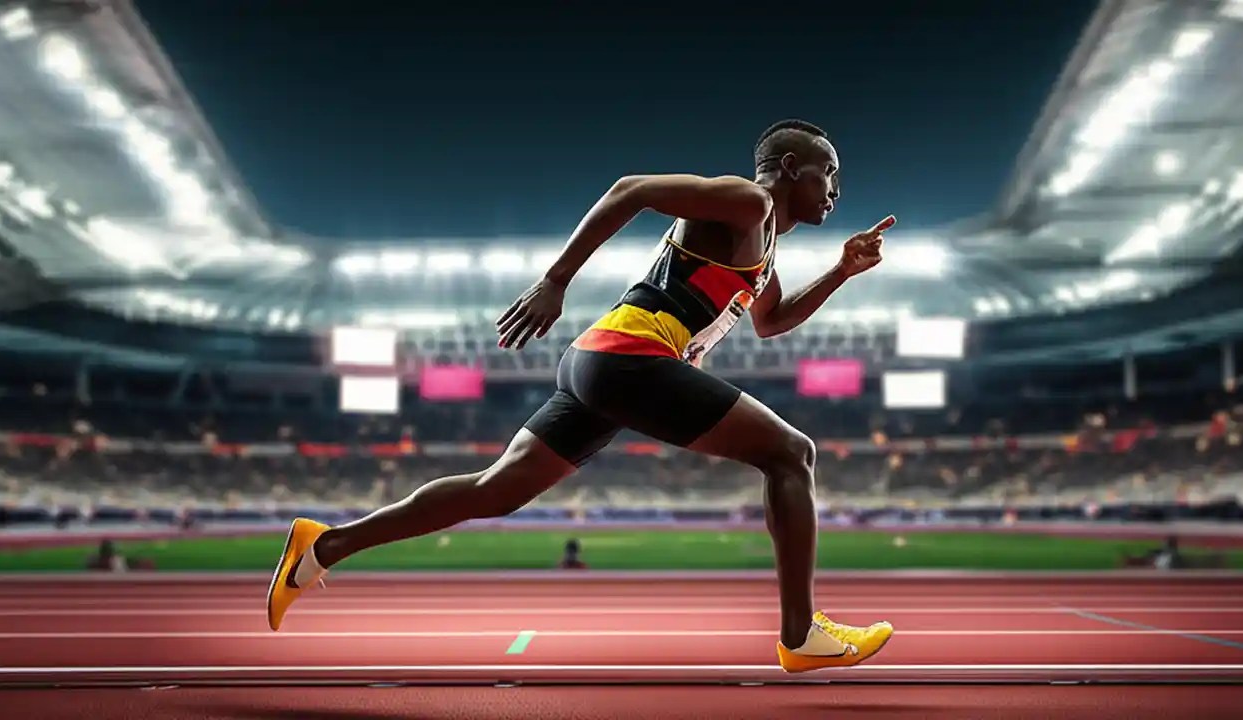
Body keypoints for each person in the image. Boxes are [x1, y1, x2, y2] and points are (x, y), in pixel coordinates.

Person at [268, 119, 896, 672]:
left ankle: (323, 546)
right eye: (828, 174)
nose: (836, 190)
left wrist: (840, 271)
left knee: (494, 490)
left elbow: (771, 321)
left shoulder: (764, 245)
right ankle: (800, 634)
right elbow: (632, 190)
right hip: (628, 359)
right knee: (792, 452)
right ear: (790, 168)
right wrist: (555, 280)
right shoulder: (747, 201)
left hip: (601, 366)